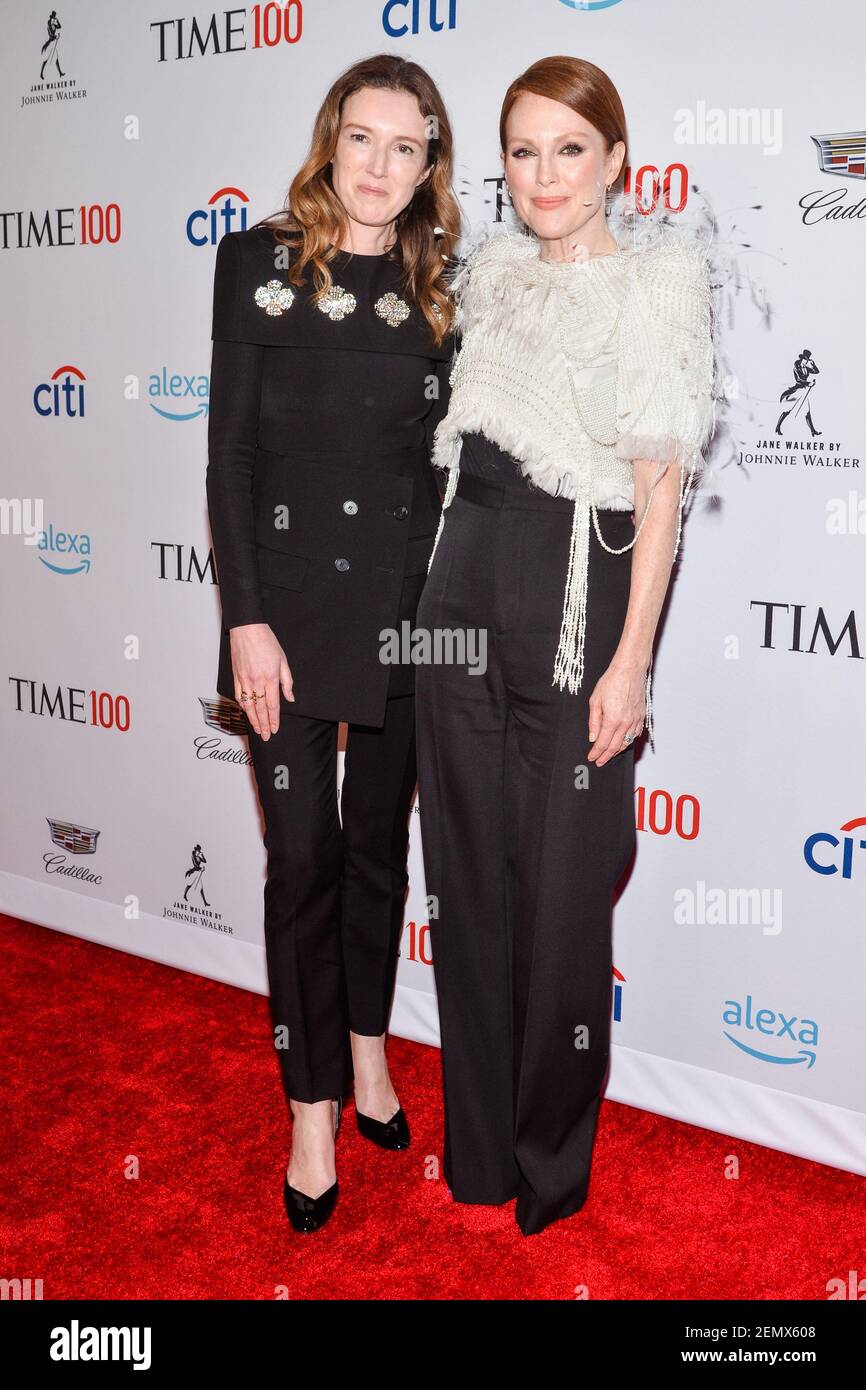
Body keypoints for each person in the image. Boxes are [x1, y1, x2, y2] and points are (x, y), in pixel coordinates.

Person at [414, 56, 717, 1236]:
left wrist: (633, 656)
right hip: (458, 591)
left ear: (614, 162)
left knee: (560, 896)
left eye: (569, 149)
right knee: (468, 879)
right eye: (523, 150)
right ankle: (479, 1149)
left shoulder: (657, 285)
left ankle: (548, 1162)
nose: (545, 174)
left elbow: (658, 491)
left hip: (576, 596)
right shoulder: (488, 276)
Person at [206, 54, 459, 1234]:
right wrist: (244, 618)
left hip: (405, 613)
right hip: (285, 620)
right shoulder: (255, 264)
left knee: (373, 856)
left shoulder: (444, 286)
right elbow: (232, 462)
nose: (379, 166)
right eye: (363, 139)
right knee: (298, 864)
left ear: (428, 166)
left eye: (405, 148)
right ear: (329, 140)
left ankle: (367, 1046)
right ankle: (310, 1103)